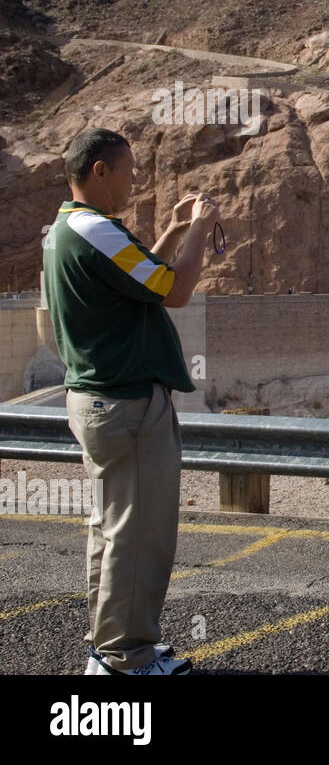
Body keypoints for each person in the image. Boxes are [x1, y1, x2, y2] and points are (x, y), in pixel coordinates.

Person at [42, 127, 219, 675]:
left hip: (96, 401)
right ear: (100, 171)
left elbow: (139, 277)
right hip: (127, 407)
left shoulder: (65, 230)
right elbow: (174, 288)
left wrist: (172, 229)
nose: (134, 181)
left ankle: (110, 647)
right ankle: (128, 659)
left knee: (113, 529)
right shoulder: (96, 230)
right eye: (129, 171)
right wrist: (203, 230)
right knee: (139, 536)